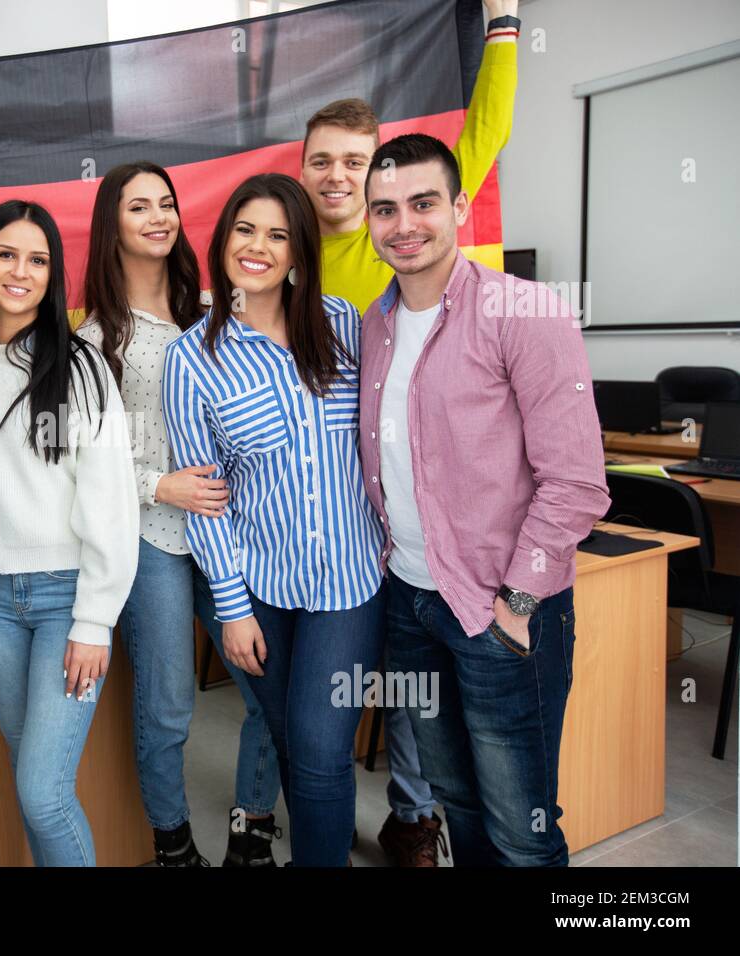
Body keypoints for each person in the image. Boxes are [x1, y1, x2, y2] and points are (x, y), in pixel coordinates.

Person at [297, 0, 520, 864]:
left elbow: (488, 128)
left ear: (378, 170)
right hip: (332, 501)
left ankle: (414, 815)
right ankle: (397, 806)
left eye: (356, 161)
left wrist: (501, 21)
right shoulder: (287, 247)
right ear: (304, 168)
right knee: (394, 675)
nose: (338, 175)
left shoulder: (404, 231)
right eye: (324, 160)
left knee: (418, 680)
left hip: (419, 494)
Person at [359, 133, 608, 866]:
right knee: (455, 801)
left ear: (460, 207)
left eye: (423, 203)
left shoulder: (525, 313)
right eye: (385, 209)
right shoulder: (372, 325)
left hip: (501, 609)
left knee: (520, 829)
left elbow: (577, 483)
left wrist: (518, 605)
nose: (404, 224)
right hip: (409, 603)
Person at [163, 173, 385, 867]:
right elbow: (205, 499)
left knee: (321, 747)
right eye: (245, 230)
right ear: (222, 240)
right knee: (292, 739)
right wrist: (231, 608)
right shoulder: (191, 359)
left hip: (350, 581)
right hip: (261, 587)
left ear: (298, 251)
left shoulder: (345, 323)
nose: (258, 247)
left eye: (278, 235)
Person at [78, 161, 281, 867]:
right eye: (140, 207)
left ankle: (251, 832)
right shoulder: (95, 337)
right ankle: (173, 843)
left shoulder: (213, 311)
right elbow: (82, 457)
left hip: (226, 535)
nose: (160, 216)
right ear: (114, 225)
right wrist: (158, 485)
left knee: (267, 687)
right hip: (153, 540)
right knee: (168, 706)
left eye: (166, 204)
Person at [0, 200, 138, 866]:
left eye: (37, 260)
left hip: (68, 599)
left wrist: (95, 621)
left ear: (54, 273)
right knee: (38, 790)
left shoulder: (81, 367)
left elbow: (113, 501)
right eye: (7, 254)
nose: (20, 271)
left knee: (42, 790)